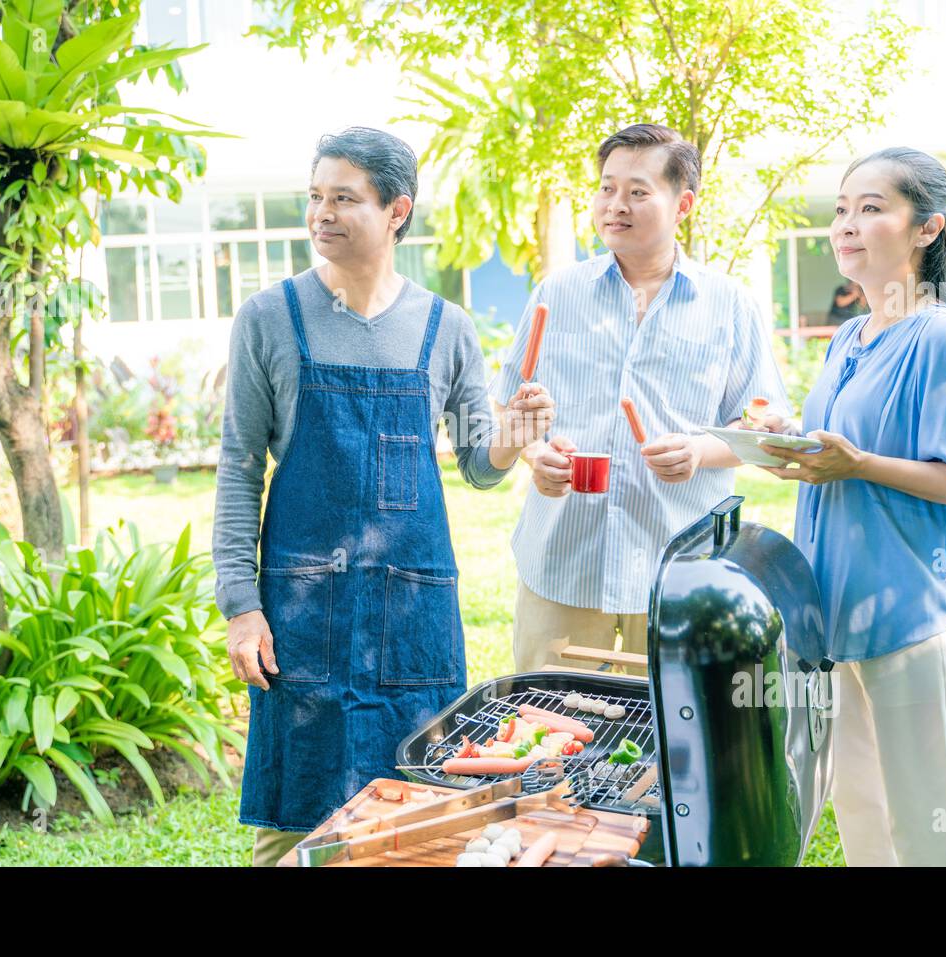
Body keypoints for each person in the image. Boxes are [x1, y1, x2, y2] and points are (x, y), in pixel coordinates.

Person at [213, 127, 555, 867]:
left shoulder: (445, 328)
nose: (321, 214)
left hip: (413, 620)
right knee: (297, 824)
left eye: (344, 198)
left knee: (421, 818)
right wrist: (241, 606)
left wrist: (513, 435)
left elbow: (479, 462)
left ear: (397, 210)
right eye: (314, 196)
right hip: (303, 612)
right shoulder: (270, 318)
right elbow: (239, 466)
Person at [758, 147, 946, 866]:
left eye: (872, 209)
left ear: (927, 228)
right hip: (841, 617)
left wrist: (858, 464)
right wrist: (794, 448)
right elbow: (844, 452)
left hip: (917, 622)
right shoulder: (852, 335)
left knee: (940, 839)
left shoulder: (945, 338)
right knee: (869, 826)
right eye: (842, 209)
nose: (847, 224)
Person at [493, 123, 790, 675]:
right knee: (547, 726)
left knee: (662, 743)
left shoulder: (728, 305)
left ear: (683, 205)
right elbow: (508, 405)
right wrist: (537, 458)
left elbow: (765, 429)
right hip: (563, 559)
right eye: (607, 188)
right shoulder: (558, 293)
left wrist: (702, 451)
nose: (615, 205)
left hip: (676, 571)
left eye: (637, 191)